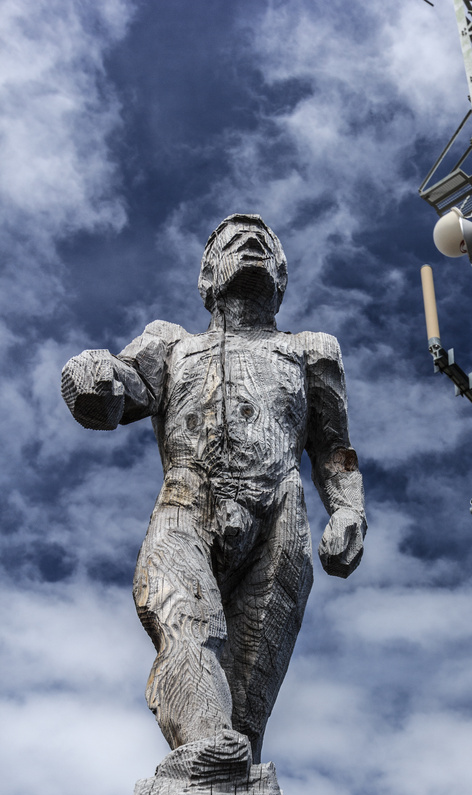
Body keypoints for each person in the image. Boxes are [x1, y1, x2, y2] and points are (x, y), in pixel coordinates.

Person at [61, 214, 366, 762]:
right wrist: (93, 377)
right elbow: (123, 388)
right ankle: (202, 745)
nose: (249, 242)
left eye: (263, 243)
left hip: (279, 511)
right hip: (187, 500)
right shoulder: (170, 344)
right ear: (207, 277)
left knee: (246, 707)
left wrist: (348, 512)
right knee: (182, 619)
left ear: (281, 276)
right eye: (230, 241)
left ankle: (227, 779)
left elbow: (333, 447)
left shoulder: (311, 350)